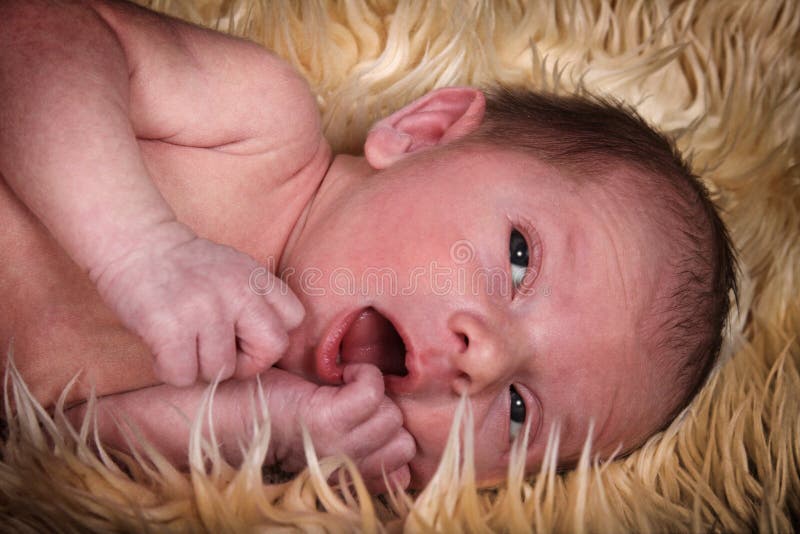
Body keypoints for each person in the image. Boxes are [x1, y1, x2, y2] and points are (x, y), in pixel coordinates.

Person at [0, 0, 736, 492]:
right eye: (519, 258)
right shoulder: (259, 128)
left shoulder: (235, 404)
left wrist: (264, 426)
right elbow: (35, 36)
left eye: (518, 412)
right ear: (424, 134)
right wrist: (139, 248)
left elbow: (61, 434)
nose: (487, 356)